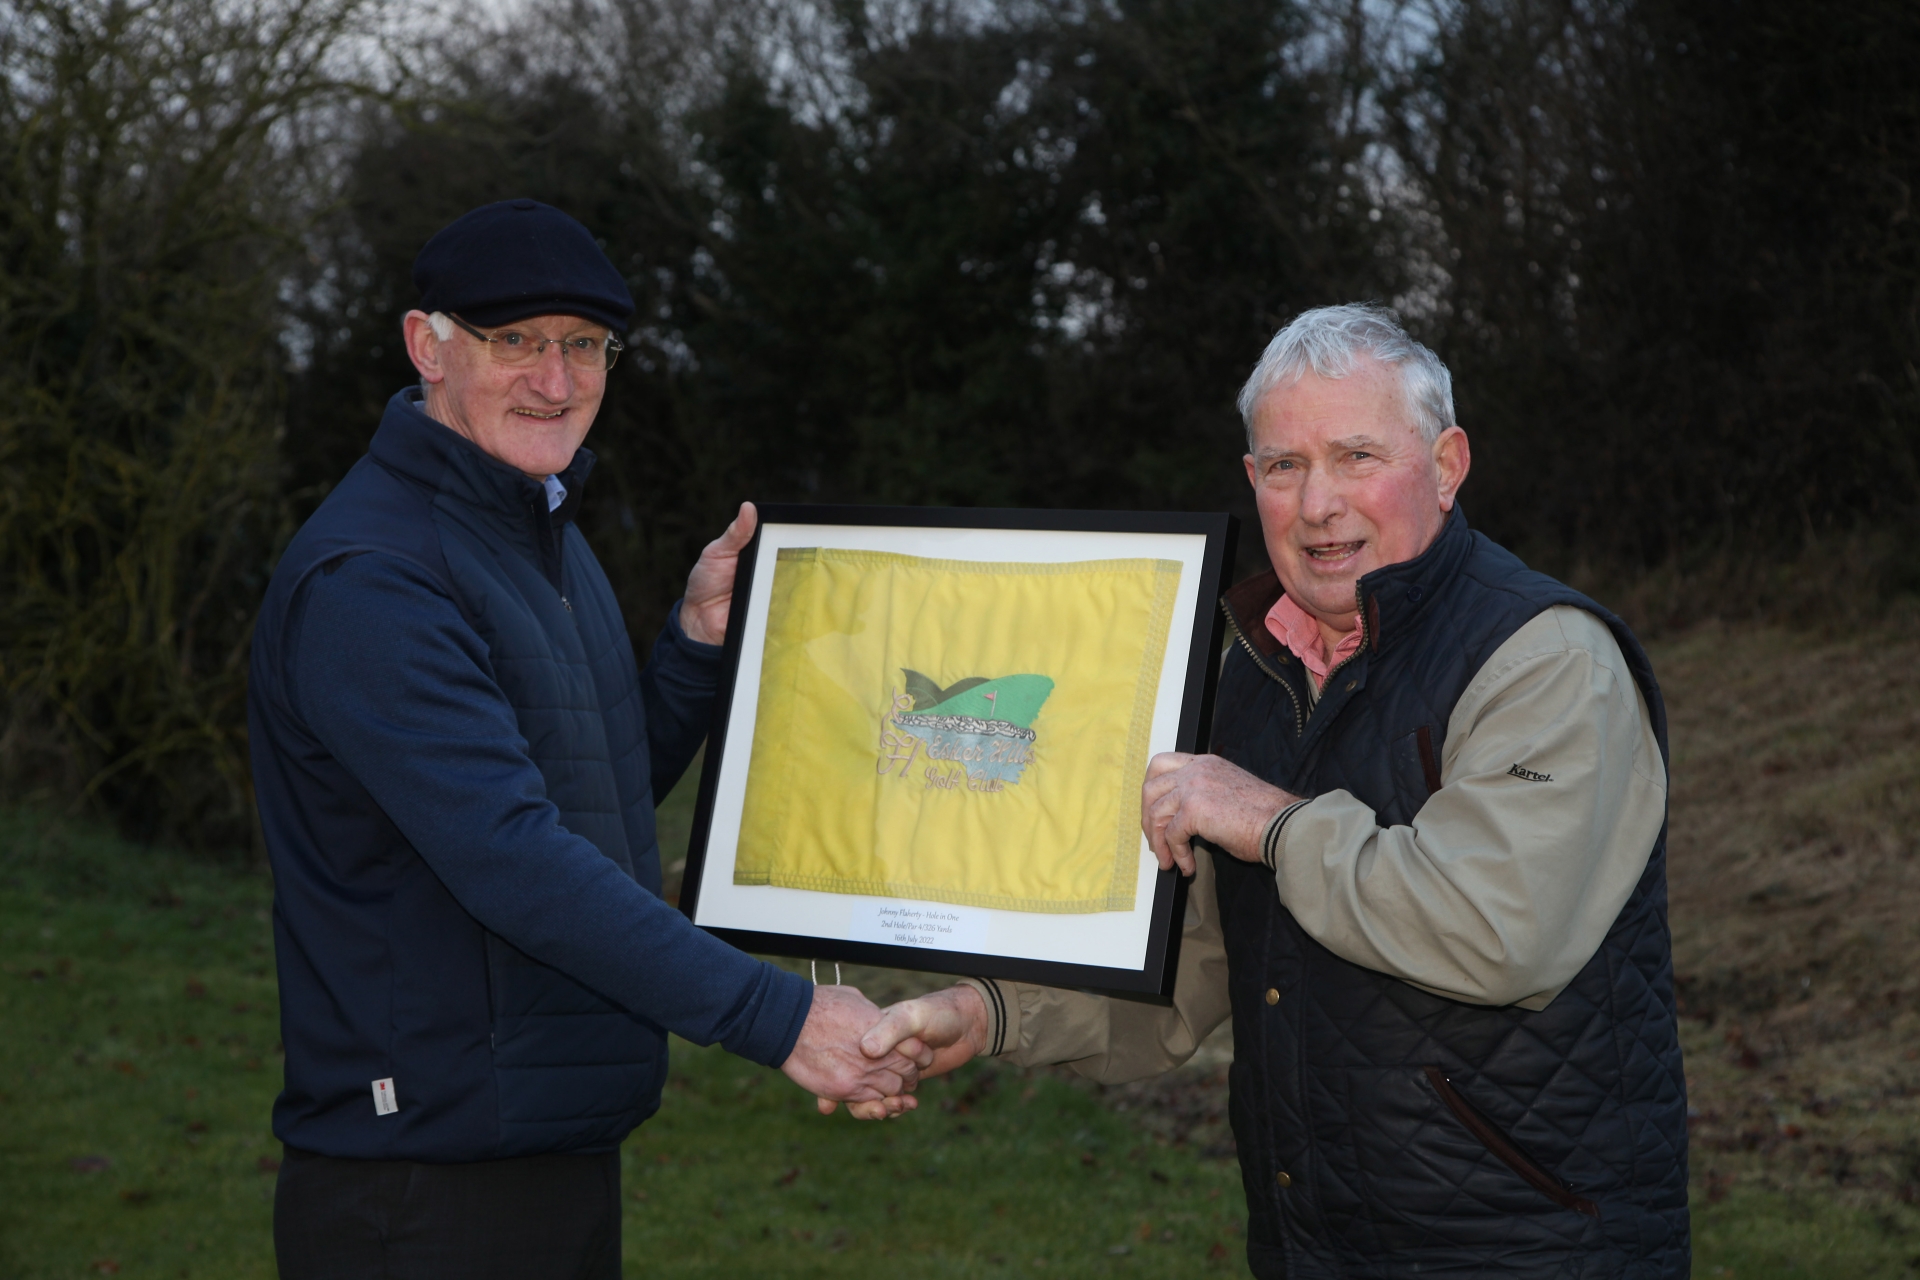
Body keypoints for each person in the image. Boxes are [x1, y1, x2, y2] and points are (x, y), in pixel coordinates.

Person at [866, 304, 1689, 1278]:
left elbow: (1495, 927)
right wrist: (989, 1010)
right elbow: (1200, 949)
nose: (1317, 504)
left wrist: (1268, 820)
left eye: (1356, 455)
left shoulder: (1544, 657)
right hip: (1311, 1245)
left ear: (1448, 463)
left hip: (1529, 1246)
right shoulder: (1251, 675)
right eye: (1283, 466)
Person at [248, 199, 918, 1279]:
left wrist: (696, 644)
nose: (556, 381)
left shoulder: (533, 538)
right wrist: (780, 1014)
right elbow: (515, 858)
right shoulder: (376, 579)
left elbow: (591, 798)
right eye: (515, 341)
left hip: (546, 1144)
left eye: (584, 345)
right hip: (421, 1189)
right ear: (428, 345)